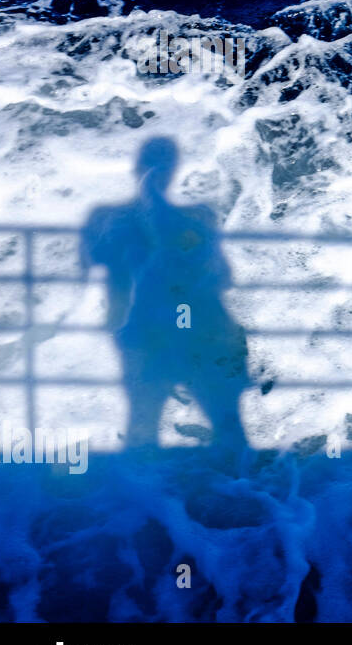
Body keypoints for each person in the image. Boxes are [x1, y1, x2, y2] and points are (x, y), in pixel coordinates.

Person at [80, 138, 249, 452]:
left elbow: (221, 276)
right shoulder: (111, 218)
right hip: (152, 331)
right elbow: (91, 265)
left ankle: (243, 488)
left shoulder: (196, 217)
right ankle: (149, 495)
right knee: (147, 421)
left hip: (187, 327)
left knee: (219, 421)